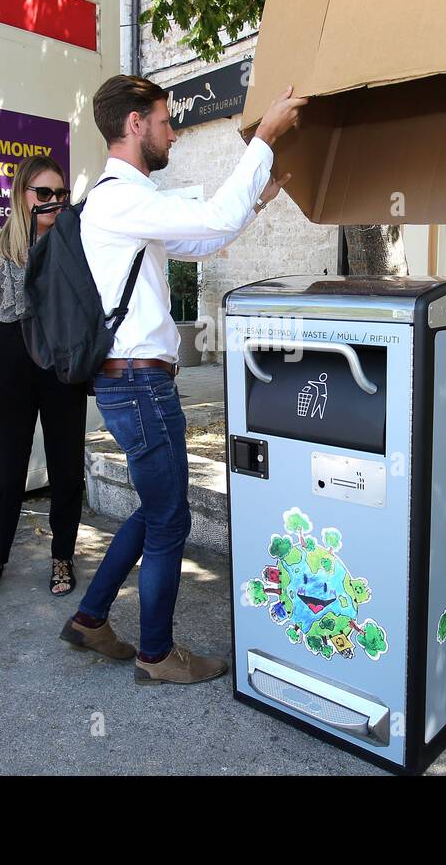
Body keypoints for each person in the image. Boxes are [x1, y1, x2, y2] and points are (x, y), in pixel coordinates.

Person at [60, 74, 304, 684]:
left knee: (156, 507)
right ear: (135, 123)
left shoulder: (122, 200)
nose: (173, 131)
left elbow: (204, 236)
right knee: (171, 519)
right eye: (167, 121)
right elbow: (212, 222)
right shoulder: (120, 196)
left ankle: (91, 619)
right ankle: (157, 654)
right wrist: (265, 137)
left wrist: (258, 199)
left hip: (134, 383)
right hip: (139, 386)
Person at [0, 155, 86, 600]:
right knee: (7, 472)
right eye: (43, 194)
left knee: (67, 469)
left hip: (60, 359)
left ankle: (63, 556)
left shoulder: (75, 242)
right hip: (12, 356)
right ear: (22, 196)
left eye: (60, 194)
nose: (53, 202)